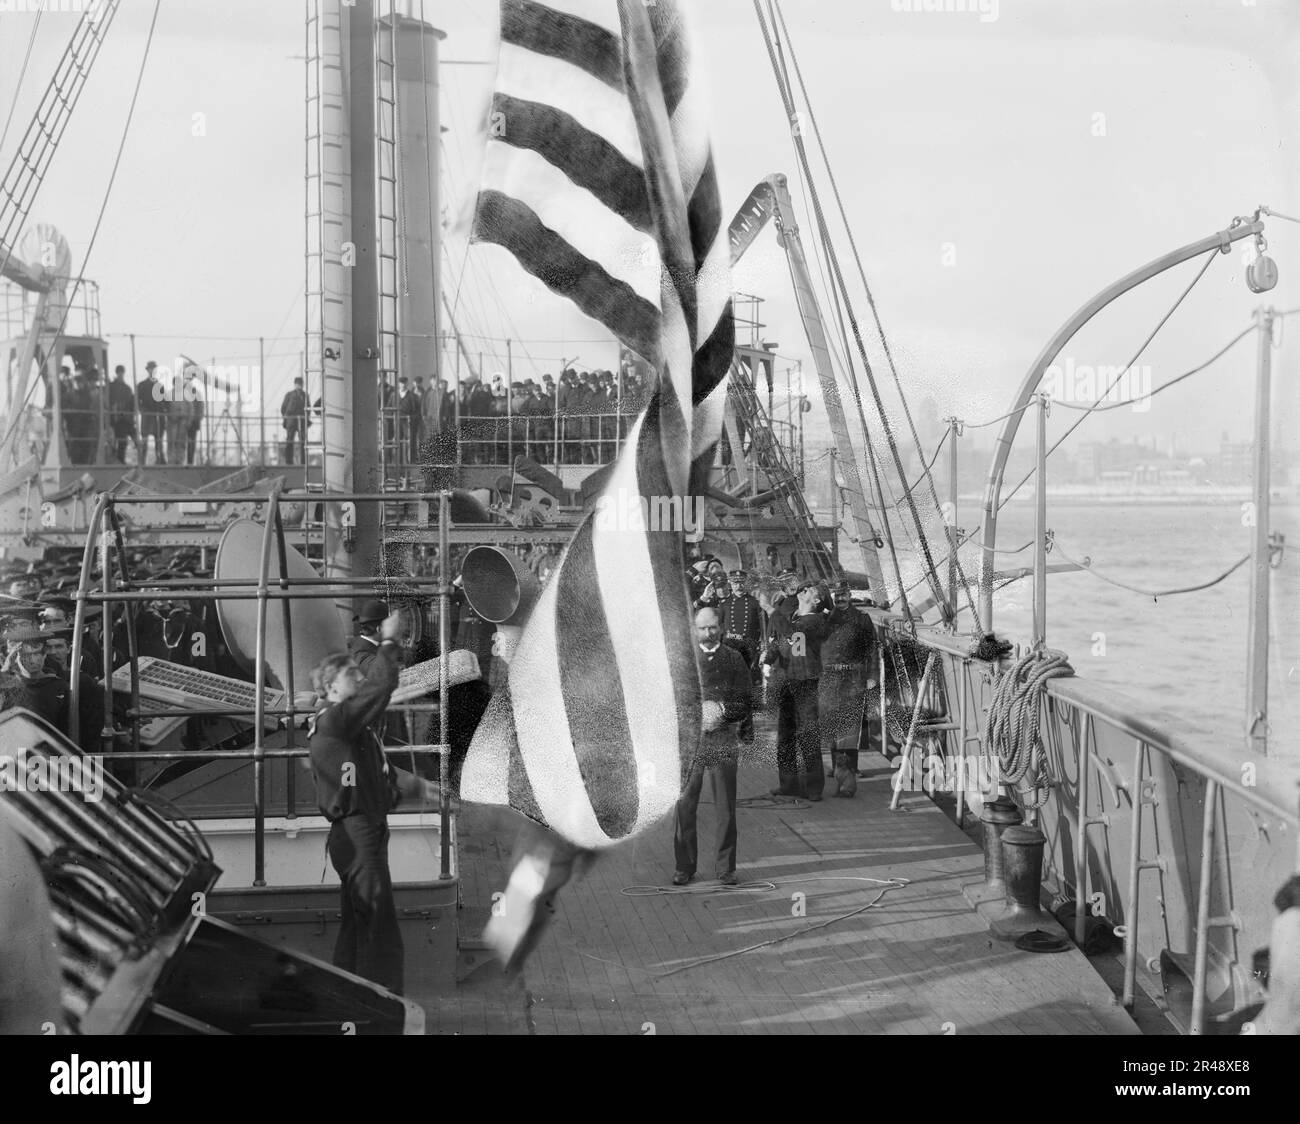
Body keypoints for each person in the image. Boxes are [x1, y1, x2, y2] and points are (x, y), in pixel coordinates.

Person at [307, 611, 437, 995]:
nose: (360, 680)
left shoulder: (350, 730)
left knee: (358, 924)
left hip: (362, 830)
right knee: (379, 927)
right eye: (353, 676)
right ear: (332, 687)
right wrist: (388, 642)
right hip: (356, 830)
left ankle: (345, 1001)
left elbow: (375, 773)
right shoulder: (335, 722)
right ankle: (384, 1013)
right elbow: (379, 687)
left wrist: (419, 788)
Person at [673, 606, 752, 886]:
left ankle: (725, 867)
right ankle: (684, 866)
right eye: (702, 628)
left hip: (722, 741)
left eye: (712, 627)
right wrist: (697, 713)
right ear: (694, 629)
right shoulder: (683, 660)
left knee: (725, 807)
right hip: (690, 743)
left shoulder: (734, 659)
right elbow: (673, 700)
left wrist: (721, 709)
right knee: (684, 805)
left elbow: (745, 701)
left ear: (721, 627)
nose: (707, 633)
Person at [763, 579, 829, 800]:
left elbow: (791, 633)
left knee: (808, 734)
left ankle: (813, 787)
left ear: (817, 600)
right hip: (788, 680)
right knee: (786, 735)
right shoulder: (795, 617)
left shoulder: (815, 621)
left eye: (810, 590)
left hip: (805, 683)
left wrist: (770, 609)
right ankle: (788, 783)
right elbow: (785, 641)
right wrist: (769, 656)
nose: (804, 590)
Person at [818, 582, 878, 778]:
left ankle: (851, 767)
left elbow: (872, 649)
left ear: (850, 594)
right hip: (831, 677)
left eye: (843, 594)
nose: (840, 599)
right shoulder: (827, 618)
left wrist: (872, 676)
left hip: (853, 677)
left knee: (852, 723)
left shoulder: (862, 619)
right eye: (836, 595)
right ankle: (837, 766)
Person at [719, 569, 766, 683]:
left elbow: (764, 628)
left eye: (742, 583)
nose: (739, 586)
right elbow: (719, 628)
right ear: (730, 583)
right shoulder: (724, 604)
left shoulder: (755, 603)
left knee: (751, 680)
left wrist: (763, 647)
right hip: (731, 647)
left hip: (750, 649)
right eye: (735, 583)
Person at [107, 365, 139, 464]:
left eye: (122, 372)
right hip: (117, 420)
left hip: (126, 419)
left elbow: (131, 404)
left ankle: (139, 460)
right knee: (121, 441)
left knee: (135, 439)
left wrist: (132, 416)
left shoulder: (127, 388)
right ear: (117, 373)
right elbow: (108, 402)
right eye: (119, 372)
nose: (120, 374)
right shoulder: (111, 387)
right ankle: (120, 461)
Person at [137, 360, 167, 464]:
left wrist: (164, 413)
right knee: (144, 440)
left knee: (158, 440)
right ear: (148, 370)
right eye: (151, 369)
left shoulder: (160, 386)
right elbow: (137, 401)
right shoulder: (141, 385)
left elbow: (164, 402)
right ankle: (142, 461)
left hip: (158, 416)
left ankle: (160, 460)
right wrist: (142, 411)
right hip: (147, 416)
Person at [280, 377, 308, 465]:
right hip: (294, 421)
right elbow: (283, 408)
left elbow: (283, 409)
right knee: (293, 441)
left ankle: (296, 462)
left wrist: (286, 418)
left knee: (298, 441)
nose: (299, 386)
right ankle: (294, 461)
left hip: (296, 421)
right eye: (299, 384)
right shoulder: (301, 395)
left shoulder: (301, 395)